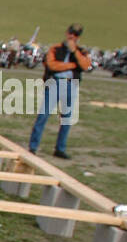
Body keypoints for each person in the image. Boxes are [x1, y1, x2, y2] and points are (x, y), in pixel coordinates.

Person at [28, 24, 92, 159]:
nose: (72, 37)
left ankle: (60, 148)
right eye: (71, 33)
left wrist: (75, 52)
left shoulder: (81, 51)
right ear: (66, 33)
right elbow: (52, 65)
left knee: (66, 119)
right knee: (43, 115)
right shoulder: (55, 48)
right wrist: (73, 65)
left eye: (76, 35)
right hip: (55, 83)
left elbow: (86, 65)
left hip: (71, 85)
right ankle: (33, 146)